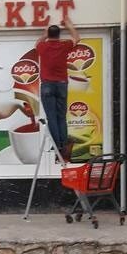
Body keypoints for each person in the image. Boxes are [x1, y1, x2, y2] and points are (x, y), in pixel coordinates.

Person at [35, 16, 79, 162]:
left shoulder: (42, 47)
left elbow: (37, 42)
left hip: (47, 85)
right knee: (61, 117)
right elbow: (77, 38)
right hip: (61, 85)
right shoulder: (64, 45)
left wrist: (44, 34)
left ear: (49, 35)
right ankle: (64, 146)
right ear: (59, 35)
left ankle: (58, 147)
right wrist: (69, 25)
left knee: (51, 117)